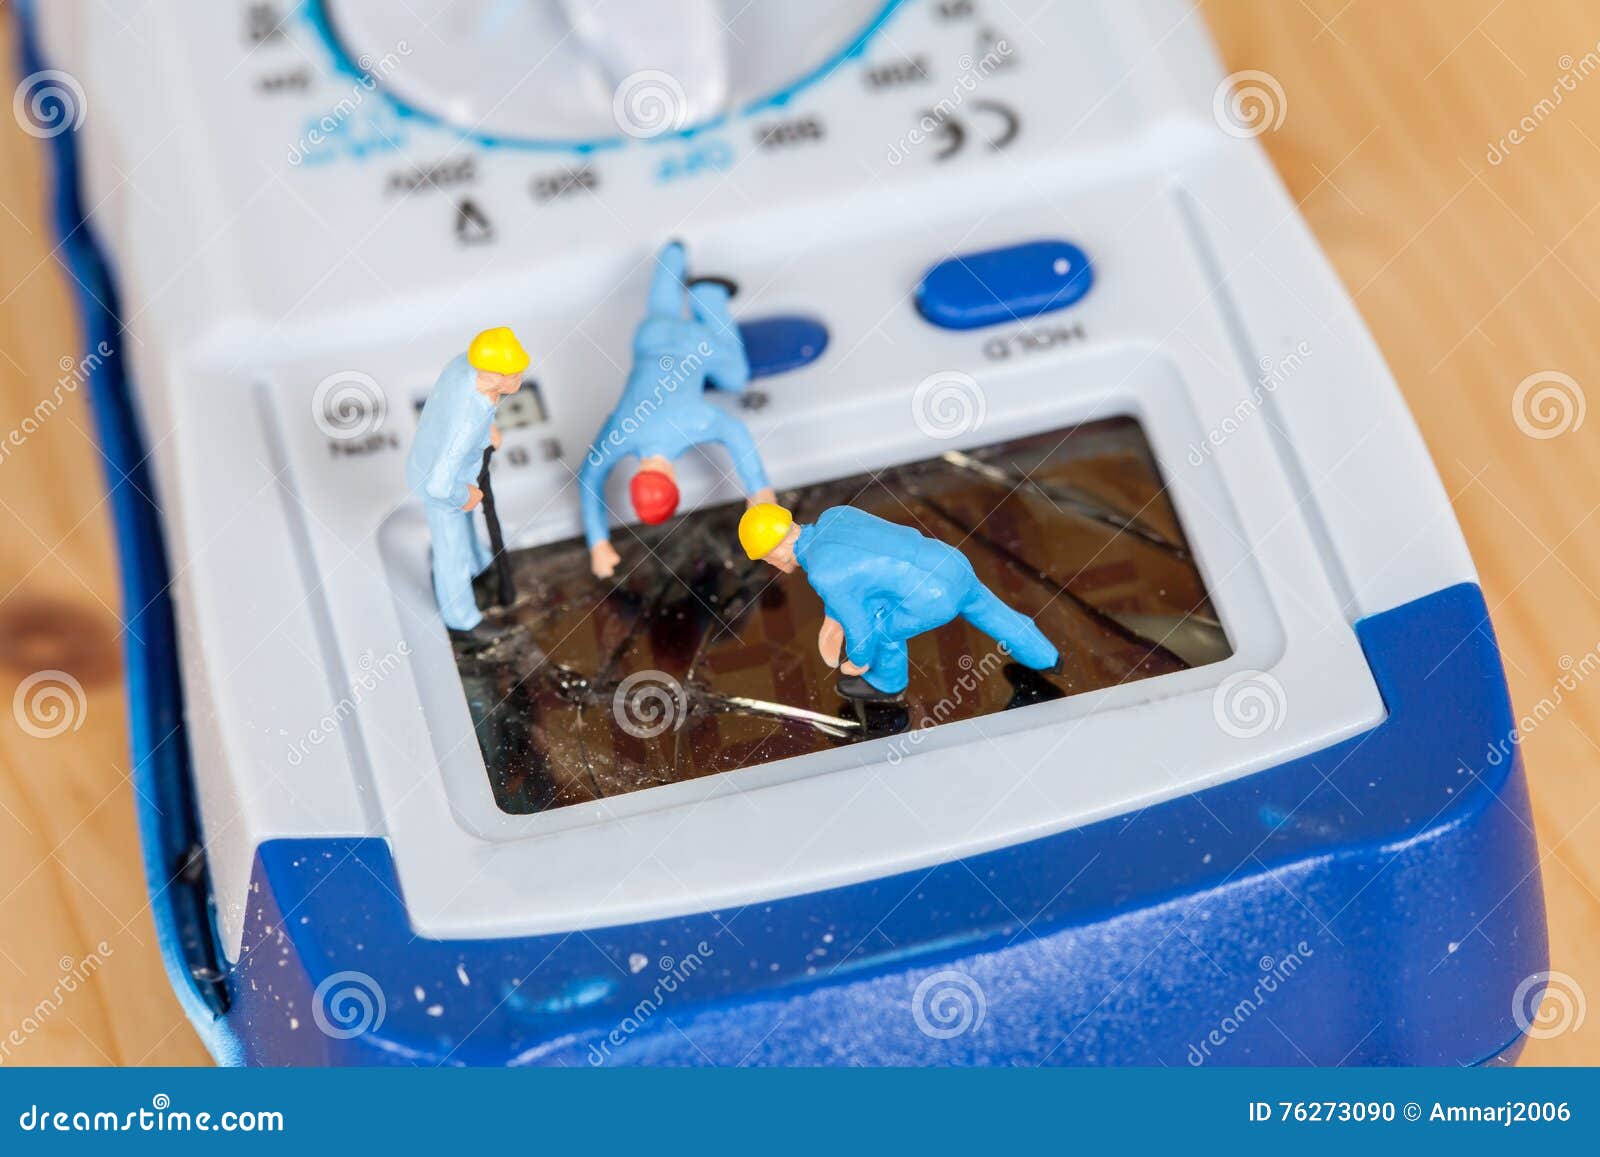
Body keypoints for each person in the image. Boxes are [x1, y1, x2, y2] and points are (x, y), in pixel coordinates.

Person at [580, 240, 774, 578]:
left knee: (736, 377)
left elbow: (736, 433)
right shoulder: (620, 433)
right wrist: (596, 542)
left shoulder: (693, 423)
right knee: (661, 310)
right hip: (649, 337)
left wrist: (760, 491)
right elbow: (588, 478)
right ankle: (673, 254)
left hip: (692, 342)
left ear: (674, 483)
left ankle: (709, 296)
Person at [738, 502, 1060, 700]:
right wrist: (830, 620)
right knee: (989, 608)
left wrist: (858, 661)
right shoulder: (837, 514)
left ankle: (885, 684)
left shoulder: (822, 573)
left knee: (879, 628)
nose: (772, 565)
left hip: (932, 599)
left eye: (767, 559)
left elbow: (859, 624)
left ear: (777, 551)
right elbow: (856, 573)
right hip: (949, 560)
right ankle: (1045, 656)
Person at [406, 327, 528, 630]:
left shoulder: (465, 364)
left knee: (466, 529)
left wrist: (487, 431)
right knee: (451, 550)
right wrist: (464, 495)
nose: (520, 378)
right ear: (494, 376)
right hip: (444, 486)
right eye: (514, 374)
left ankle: (479, 563)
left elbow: (445, 408)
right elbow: (439, 484)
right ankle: (461, 617)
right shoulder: (469, 418)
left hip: (451, 467)